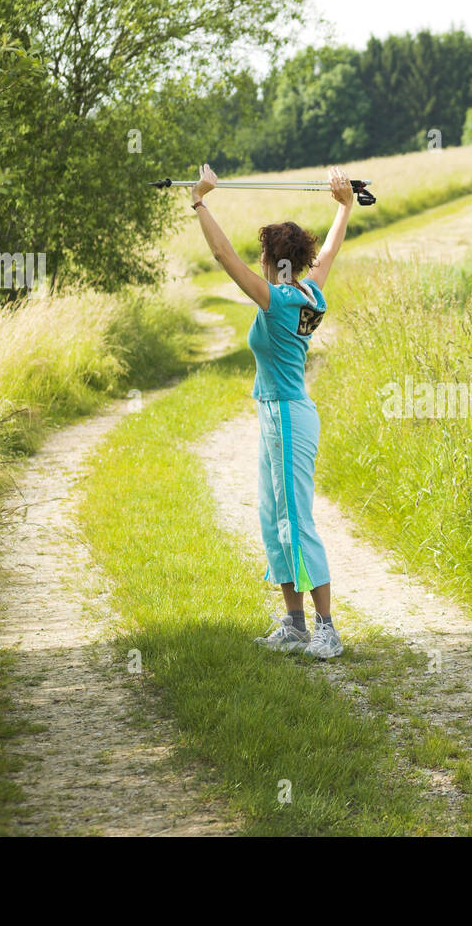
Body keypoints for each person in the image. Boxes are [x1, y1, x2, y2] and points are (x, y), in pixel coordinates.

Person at [189, 163, 353, 660]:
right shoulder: (309, 290)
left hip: (287, 414)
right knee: (272, 518)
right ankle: (296, 623)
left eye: (263, 255)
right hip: (276, 414)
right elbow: (328, 253)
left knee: (296, 519)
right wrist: (343, 207)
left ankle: (327, 629)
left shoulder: (277, 300)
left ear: (272, 261)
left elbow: (223, 256)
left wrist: (200, 201)